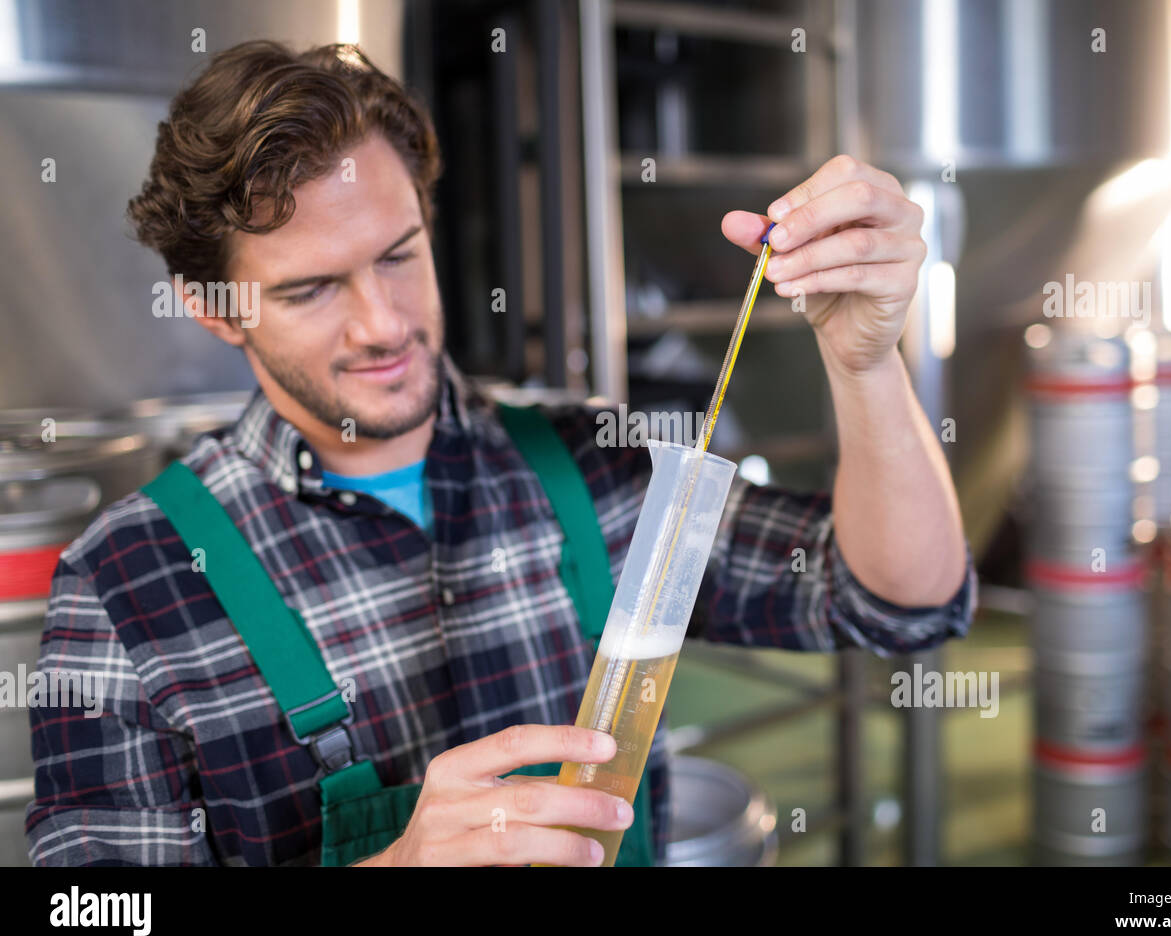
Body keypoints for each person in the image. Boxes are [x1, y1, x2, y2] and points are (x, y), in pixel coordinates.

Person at [26, 41, 974, 867]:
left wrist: (865, 366)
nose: (383, 324)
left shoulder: (590, 464)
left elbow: (895, 602)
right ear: (213, 309)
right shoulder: (125, 588)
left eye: (398, 254)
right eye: (313, 289)